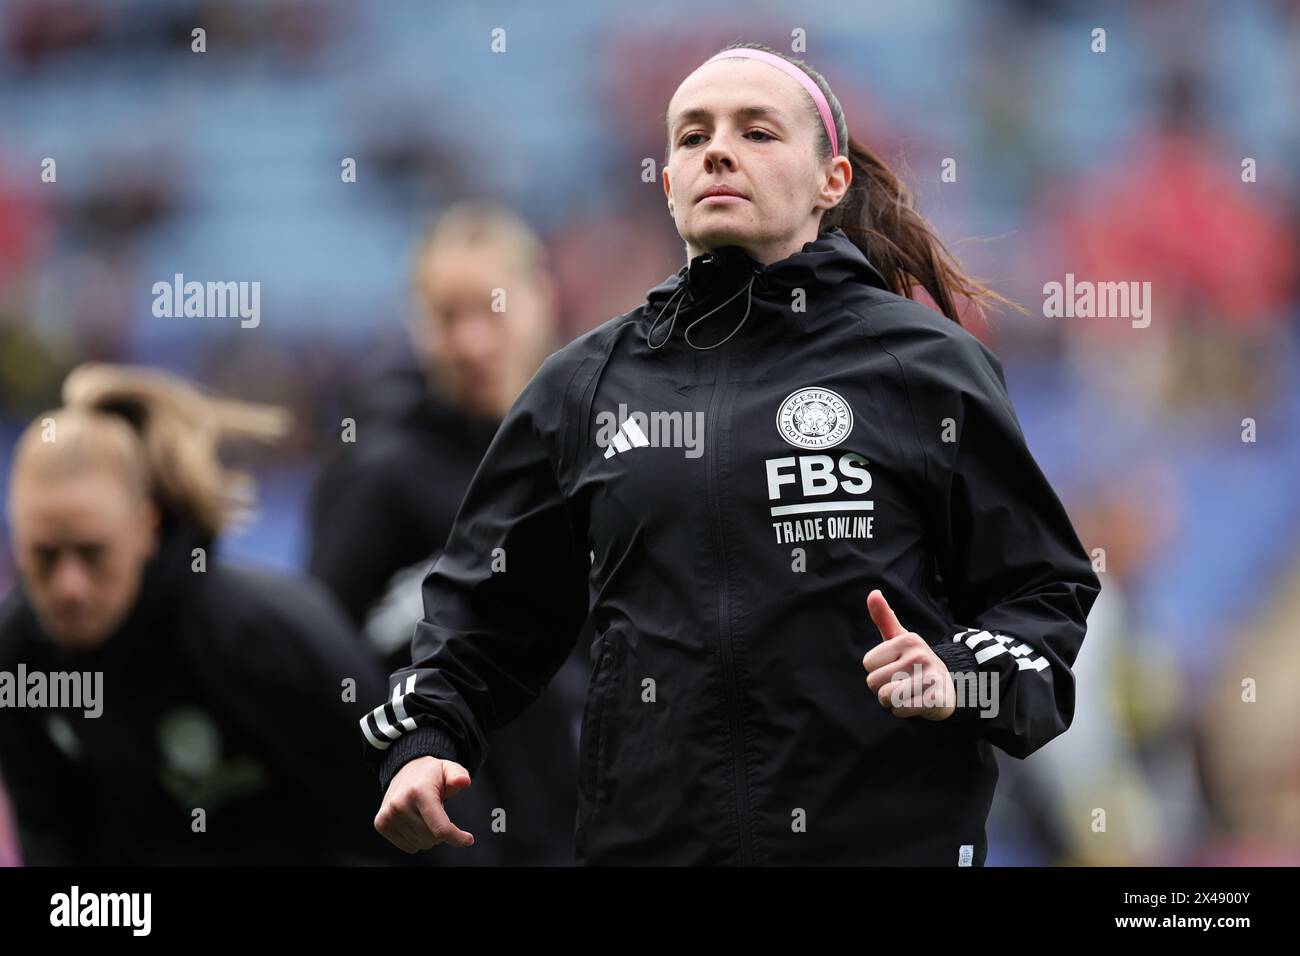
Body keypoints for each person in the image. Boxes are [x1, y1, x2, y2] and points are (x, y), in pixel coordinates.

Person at [363, 41, 1101, 865]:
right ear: (671, 185)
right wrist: (425, 740)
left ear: (833, 182)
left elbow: (1041, 591)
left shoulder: (925, 369)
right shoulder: (583, 386)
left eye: (757, 131)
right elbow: (482, 614)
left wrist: (957, 673)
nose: (717, 148)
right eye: (692, 136)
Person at [0, 363, 401, 864]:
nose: (69, 586)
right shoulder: (19, 660)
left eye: (92, 552)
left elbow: (394, 817)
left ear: (145, 527)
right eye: (43, 555)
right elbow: (52, 843)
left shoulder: (258, 635)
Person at [310, 202, 587, 864]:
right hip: (435, 835)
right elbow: (322, 661)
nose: (469, 343)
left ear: (540, 298)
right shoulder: (380, 471)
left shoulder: (589, 448)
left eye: (489, 310)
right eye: (444, 317)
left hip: (572, 817)